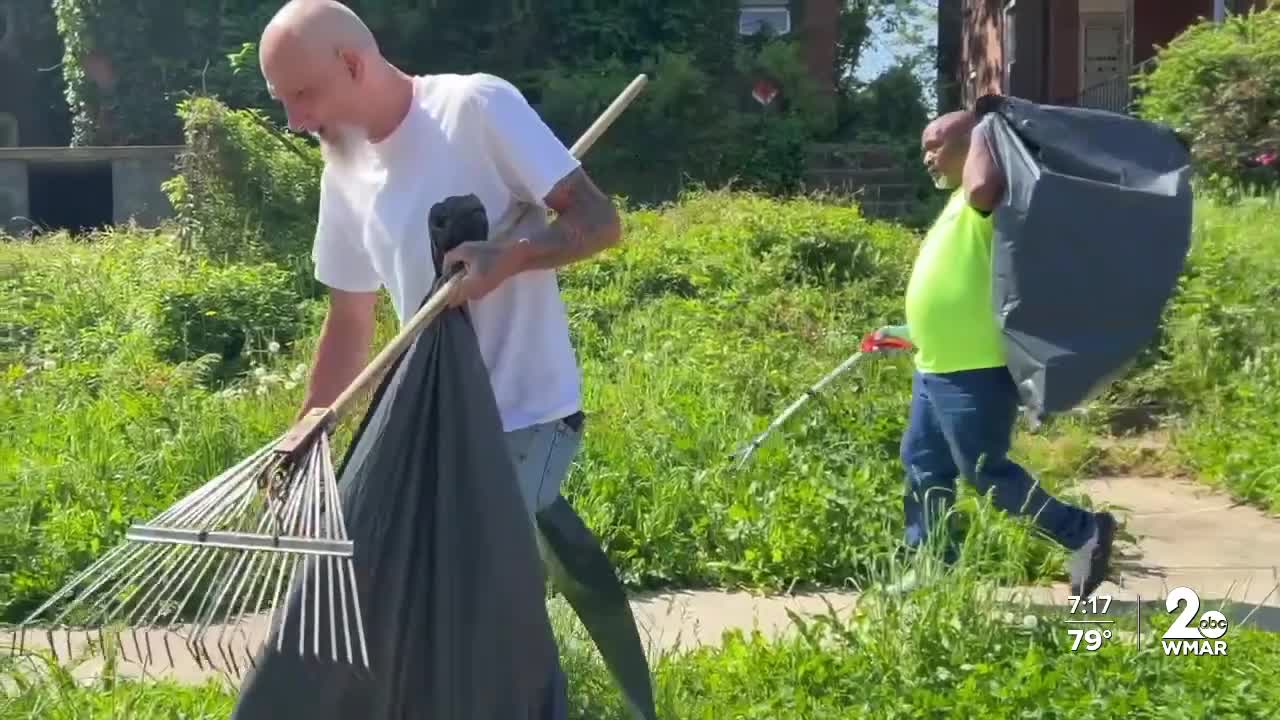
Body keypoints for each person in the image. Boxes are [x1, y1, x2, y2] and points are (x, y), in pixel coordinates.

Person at [254, 2, 657, 718]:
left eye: (302, 96)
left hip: (526, 413)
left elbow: (599, 221)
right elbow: (351, 317)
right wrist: (311, 425)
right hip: (433, 415)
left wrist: (516, 257)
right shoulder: (342, 165)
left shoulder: (475, 106)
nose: (293, 120)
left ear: (353, 62)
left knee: (468, 594)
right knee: (410, 580)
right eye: (282, 102)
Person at [874, 109, 1116, 599]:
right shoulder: (953, 206)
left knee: (986, 472)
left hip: (975, 370)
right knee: (923, 465)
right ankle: (933, 566)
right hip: (936, 366)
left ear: (972, 144)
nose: (927, 157)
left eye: (936, 145)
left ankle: (1083, 531)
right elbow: (961, 288)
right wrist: (907, 330)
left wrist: (988, 123)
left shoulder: (985, 196)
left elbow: (983, 186)